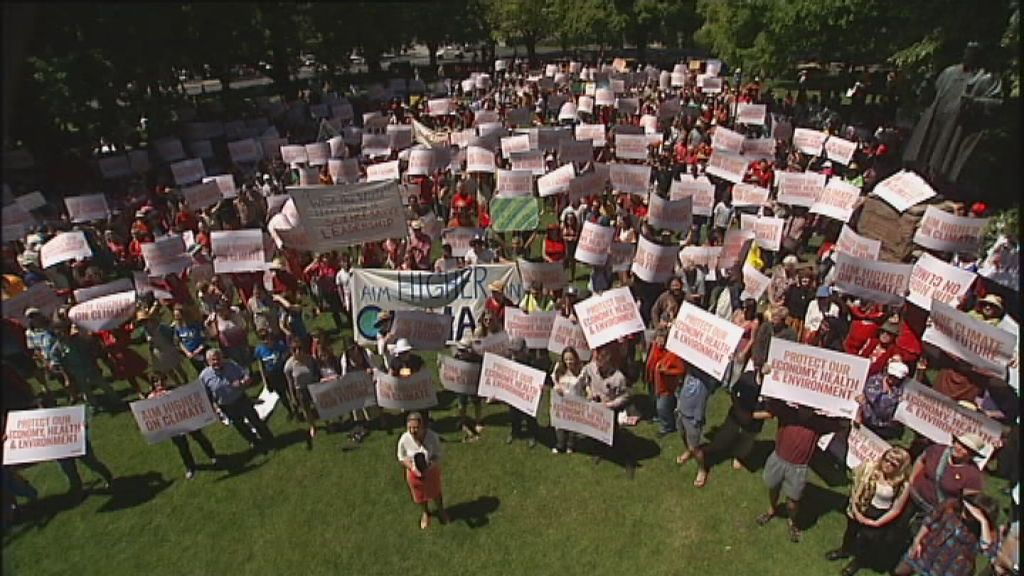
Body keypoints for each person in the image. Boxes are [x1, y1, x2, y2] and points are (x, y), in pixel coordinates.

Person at [902, 42, 1004, 188]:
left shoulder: (987, 78)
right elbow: (932, 94)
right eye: (967, 51)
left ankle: (938, 185)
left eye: (973, 52)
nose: (968, 55)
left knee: (944, 160)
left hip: (958, 126)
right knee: (925, 154)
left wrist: (974, 103)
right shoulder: (949, 72)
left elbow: (996, 103)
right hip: (936, 121)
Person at [756, 399, 841, 542]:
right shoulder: (787, 411)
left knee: (793, 501)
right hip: (778, 458)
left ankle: (792, 521)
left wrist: (855, 411)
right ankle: (772, 509)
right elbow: (771, 404)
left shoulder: (819, 422)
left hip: (798, 467)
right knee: (773, 486)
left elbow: (841, 425)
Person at [825, 447, 914, 576]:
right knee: (851, 531)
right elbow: (856, 489)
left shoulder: (903, 485)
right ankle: (844, 550)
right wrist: (855, 509)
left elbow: (896, 509)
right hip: (861, 506)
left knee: (867, 540)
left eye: (892, 464)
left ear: (900, 468)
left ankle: (857, 562)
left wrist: (876, 523)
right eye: (886, 460)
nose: (887, 465)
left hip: (880, 513)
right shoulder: (870, 469)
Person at [893, 493, 1000, 576]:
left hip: (951, 567)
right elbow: (929, 520)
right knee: (901, 571)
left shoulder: (985, 531)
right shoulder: (951, 506)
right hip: (927, 550)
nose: (964, 514)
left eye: (969, 514)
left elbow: (988, 551)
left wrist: (983, 522)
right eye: (965, 509)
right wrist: (917, 540)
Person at [199, 348, 274, 453]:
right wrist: (214, 408)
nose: (216, 362)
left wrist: (243, 382)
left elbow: (246, 375)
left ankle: (269, 439)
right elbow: (206, 394)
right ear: (208, 362)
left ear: (222, 358)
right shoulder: (204, 376)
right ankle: (254, 442)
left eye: (218, 359)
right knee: (240, 426)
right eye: (213, 360)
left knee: (254, 419)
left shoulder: (231, 365)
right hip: (226, 406)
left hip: (240, 399)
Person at [146, 372, 219, 479]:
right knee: (182, 447)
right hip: (172, 427)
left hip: (187, 421)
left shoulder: (175, 390)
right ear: (153, 384)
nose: (160, 383)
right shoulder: (151, 397)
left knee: (199, 437)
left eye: (162, 380)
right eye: (156, 381)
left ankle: (213, 455)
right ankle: (190, 467)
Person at [906, 433, 987, 529]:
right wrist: (911, 480)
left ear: (972, 455)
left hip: (933, 512)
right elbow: (921, 459)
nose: (959, 448)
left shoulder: (973, 475)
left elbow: (969, 501)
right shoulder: (937, 450)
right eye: (959, 443)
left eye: (965, 448)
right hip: (911, 496)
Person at [580, 344, 635, 476]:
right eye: (596, 359)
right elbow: (585, 380)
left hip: (610, 408)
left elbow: (625, 396)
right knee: (595, 430)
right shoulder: (590, 368)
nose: (597, 364)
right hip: (595, 405)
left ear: (608, 360)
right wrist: (589, 391)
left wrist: (610, 404)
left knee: (613, 433)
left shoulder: (619, 378)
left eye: (601, 361)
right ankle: (599, 451)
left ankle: (622, 456)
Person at [396, 412, 449, 530]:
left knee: (436, 493)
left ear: (422, 426)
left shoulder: (432, 437)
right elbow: (401, 456)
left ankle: (441, 511)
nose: (412, 431)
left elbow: (438, 454)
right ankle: (426, 513)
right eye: (410, 428)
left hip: (431, 471)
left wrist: (430, 464)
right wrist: (412, 467)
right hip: (414, 474)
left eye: (415, 427)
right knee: (419, 496)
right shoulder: (404, 439)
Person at [283, 336, 321, 449]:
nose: (298, 351)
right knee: (306, 410)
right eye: (294, 349)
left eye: (299, 348)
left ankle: (328, 422)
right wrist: (293, 397)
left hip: (313, 386)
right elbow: (290, 382)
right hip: (301, 389)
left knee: (320, 406)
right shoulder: (288, 366)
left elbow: (316, 372)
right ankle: (312, 426)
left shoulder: (310, 359)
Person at [857, 360, 909, 440]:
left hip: (887, 428)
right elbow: (878, 405)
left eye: (896, 378)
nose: (892, 379)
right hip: (869, 423)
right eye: (891, 375)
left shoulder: (900, 389)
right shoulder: (874, 381)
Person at [137, 309, 189, 386]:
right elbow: (140, 340)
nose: (144, 323)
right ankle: (178, 384)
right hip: (158, 353)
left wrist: (174, 346)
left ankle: (186, 381)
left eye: (144, 321)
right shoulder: (144, 331)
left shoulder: (161, 327)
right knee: (168, 371)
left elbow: (171, 334)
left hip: (168, 348)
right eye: (142, 322)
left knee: (178, 367)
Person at [253, 328, 295, 420]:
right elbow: (261, 366)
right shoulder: (259, 350)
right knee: (281, 394)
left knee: (291, 390)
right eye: (263, 338)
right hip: (272, 376)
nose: (266, 340)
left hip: (283, 372)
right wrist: (265, 381)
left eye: (267, 337)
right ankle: (290, 410)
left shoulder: (279, 345)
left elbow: (288, 353)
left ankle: (296, 406)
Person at [505, 337, 539, 447]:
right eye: (512, 351)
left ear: (524, 350)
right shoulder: (509, 361)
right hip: (514, 392)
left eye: (516, 351)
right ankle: (515, 432)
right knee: (513, 414)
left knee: (529, 415)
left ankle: (532, 435)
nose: (514, 353)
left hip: (527, 394)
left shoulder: (532, 362)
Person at [450, 335, 484, 442]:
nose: (460, 352)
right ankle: (463, 421)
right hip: (462, 385)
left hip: (473, 384)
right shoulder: (457, 357)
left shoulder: (477, 359)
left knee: (476, 402)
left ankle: (478, 421)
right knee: (462, 403)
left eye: (462, 350)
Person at [551, 347, 585, 454]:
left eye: (571, 359)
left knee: (572, 425)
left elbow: (585, 385)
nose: (568, 362)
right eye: (566, 359)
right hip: (560, 401)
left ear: (575, 358)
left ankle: (570, 445)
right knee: (559, 425)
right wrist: (557, 387)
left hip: (574, 402)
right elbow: (554, 380)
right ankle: (560, 444)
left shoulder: (581, 370)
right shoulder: (559, 368)